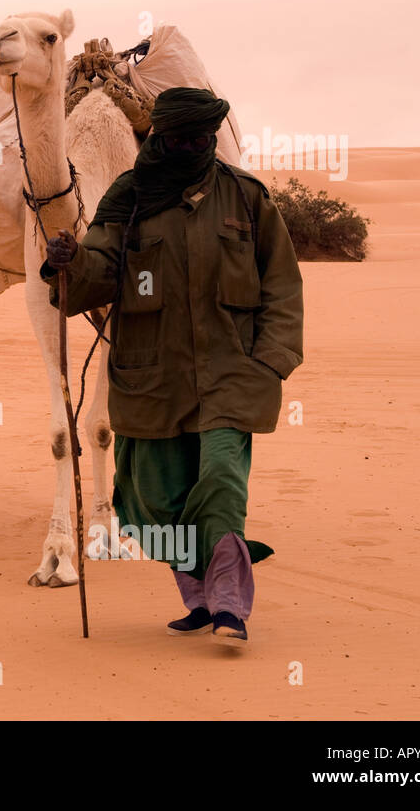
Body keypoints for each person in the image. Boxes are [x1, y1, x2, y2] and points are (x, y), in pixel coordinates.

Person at [42, 87, 303, 648]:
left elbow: (282, 283)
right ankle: (201, 595)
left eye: (201, 139)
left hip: (231, 372)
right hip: (150, 375)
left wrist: (271, 363)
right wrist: (69, 264)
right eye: (181, 138)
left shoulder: (246, 199)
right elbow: (101, 269)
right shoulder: (130, 198)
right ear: (161, 137)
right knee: (152, 501)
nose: (192, 147)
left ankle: (231, 605)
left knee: (221, 482)